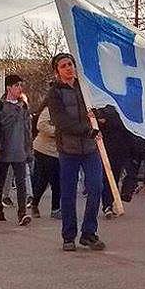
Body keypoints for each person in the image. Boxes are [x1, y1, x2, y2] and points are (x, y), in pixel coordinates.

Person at [47, 53, 106, 252]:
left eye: (70, 64)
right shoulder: (54, 93)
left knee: (96, 187)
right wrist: (86, 130)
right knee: (68, 193)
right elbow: (61, 121)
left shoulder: (86, 89)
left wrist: (98, 116)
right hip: (68, 149)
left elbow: (102, 108)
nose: (68, 68)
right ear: (57, 71)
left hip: (90, 149)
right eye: (63, 66)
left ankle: (89, 233)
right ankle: (68, 235)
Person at [0, 74, 33, 226]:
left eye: (21, 85)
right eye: (17, 85)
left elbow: (27, 129)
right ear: (9, 87)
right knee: (0, 181)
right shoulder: (0, 105)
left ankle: (22, 213)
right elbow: (2, 124)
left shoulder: (24, 106)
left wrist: (29, 149)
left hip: (20, 150)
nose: (20, 89)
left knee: (21, 182)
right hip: (3, 149)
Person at [95, 105, 131, 218]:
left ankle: (111, 202)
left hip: (121, 149)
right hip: (106, 149)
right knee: (107, 178)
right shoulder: (104, 109)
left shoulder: (123, 108)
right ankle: (107, 205)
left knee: (114, 178)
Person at [30, 105, 61, 219]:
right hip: (44, 149)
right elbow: (41, 125)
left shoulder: (65, 109)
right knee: (55, 180)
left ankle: (35, 203)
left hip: (57, 151)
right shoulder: (49, 110)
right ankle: (55, 208)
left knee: (43, 180)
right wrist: (58, 131)